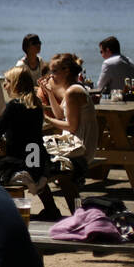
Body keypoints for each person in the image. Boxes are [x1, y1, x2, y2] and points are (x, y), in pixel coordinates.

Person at [0, 66, 61, 220]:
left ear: (16, 84)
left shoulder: (14, 106)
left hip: (20, 163)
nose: (5, 85)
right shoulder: (36, 104)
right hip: (38, 160)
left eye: (7, 82)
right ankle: (51, 209)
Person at [40, 53, 98, 184]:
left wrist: (46, 119)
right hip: (76, 143)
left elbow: (72, 126)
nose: (51, 75)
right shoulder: (72, 89)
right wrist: (49, 93)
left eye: (54, 71)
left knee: (33, 149)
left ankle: (39, 184)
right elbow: (60, 115)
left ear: (66, 71)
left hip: (80, 146)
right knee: (35, 148)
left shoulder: (73, 92)